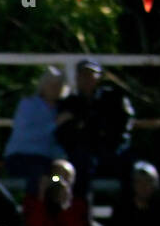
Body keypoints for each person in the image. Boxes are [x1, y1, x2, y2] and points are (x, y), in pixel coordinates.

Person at [55, 59, 134, 192]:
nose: (87, 79)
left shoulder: (114, 98)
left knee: (131, 168)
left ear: (99, 78)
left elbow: (122, 125)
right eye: (83, 75)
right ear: (77, 77)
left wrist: (86, 123)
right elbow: (65, 133)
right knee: (72, 169)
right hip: (82, 153)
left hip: (112, 149)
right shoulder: (69, 103)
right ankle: (79, 208)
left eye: (91, 75)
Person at [4, 67, 70, 192]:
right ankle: (37, 206)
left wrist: (62, 158)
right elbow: (25, 134)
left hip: (49, 161)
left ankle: (61, 205)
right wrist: (54, 124)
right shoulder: (28, 105)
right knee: (41, 177)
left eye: (59, 85)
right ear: (43, 85)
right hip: (22, 158)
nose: (55, 88)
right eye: (51, 85)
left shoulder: (61, 109)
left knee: (60, 175)